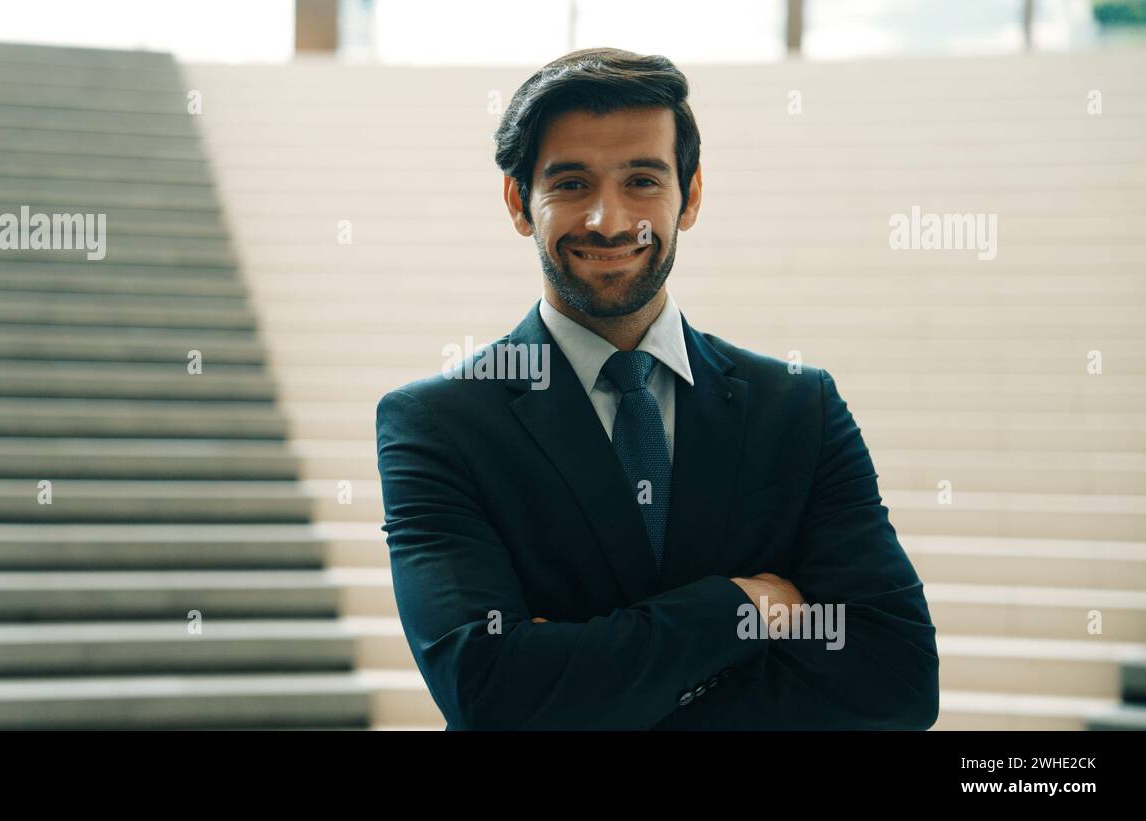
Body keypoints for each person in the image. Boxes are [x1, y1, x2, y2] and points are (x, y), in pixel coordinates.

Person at [374, 47, 939, 730]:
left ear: (690, 194)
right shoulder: (436, 424)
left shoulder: (799, 409)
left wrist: (580, 676)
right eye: (571, 184)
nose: (609, 221)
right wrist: (742, 609)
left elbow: (896, 676)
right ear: (519, 202)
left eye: (642, 180)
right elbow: (490, 690)